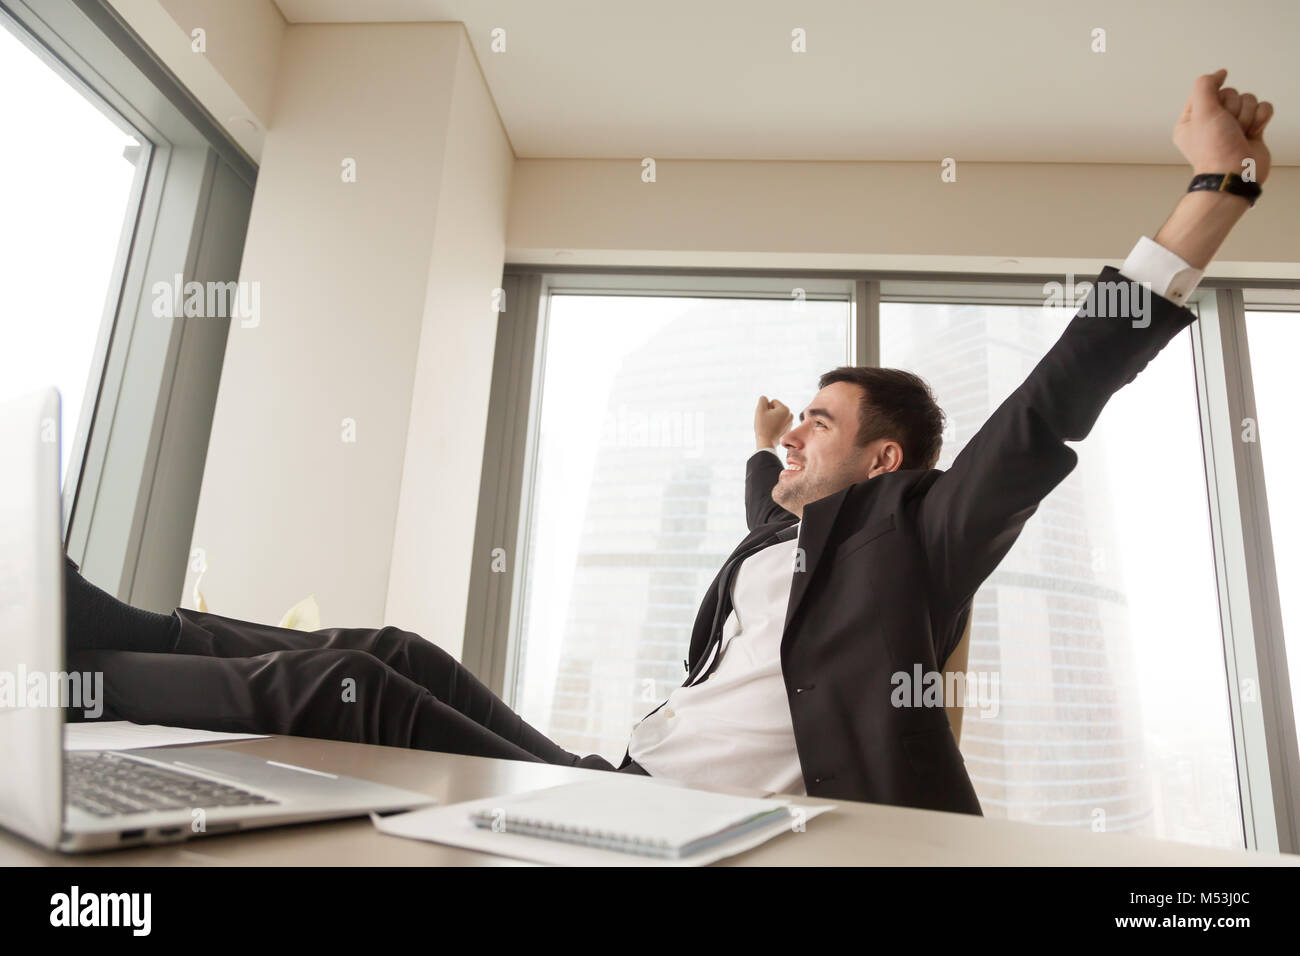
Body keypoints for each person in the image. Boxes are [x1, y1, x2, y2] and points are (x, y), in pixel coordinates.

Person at [64, 69, 1272, 814]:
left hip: (685, 833)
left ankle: (66, 685)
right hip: (618, 790)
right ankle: (95, 621)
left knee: (345, 689)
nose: (797, 431)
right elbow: (780, 542)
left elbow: (1058, 395)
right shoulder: (789, 539)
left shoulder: (919, 534)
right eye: (796, 415)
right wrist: (769, 452)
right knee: (393, 647)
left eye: (822, 420)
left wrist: (1212, 189)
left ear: (888, 463)